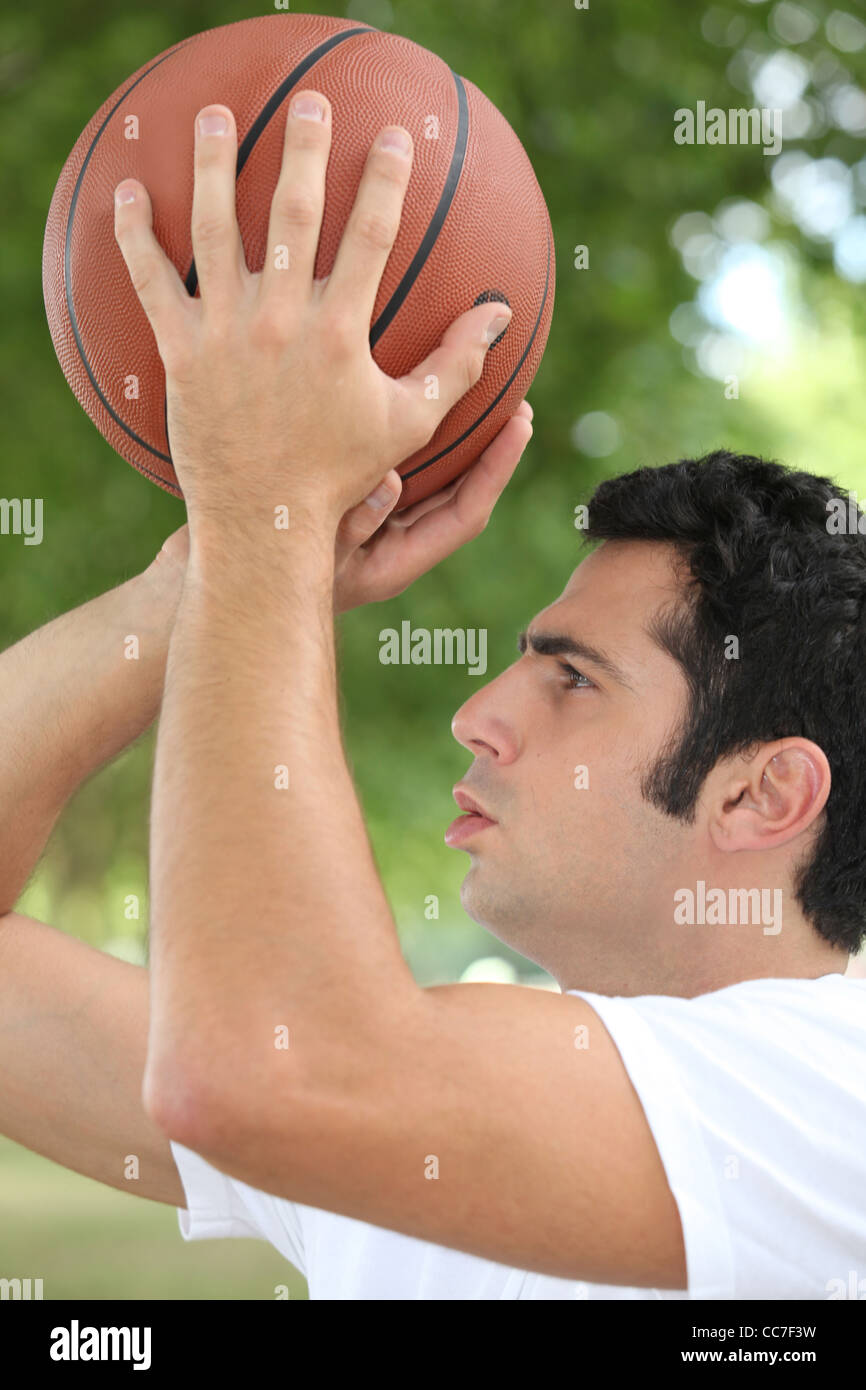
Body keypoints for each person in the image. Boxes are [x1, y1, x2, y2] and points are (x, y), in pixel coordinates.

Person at [2, 93, 864, 1301]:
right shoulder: (398, 1098)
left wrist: (267, 511)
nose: (477, 711)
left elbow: (257, 1069)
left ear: (763, 790)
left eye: (571, 677)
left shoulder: (837, 1101)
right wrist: (199, 576)